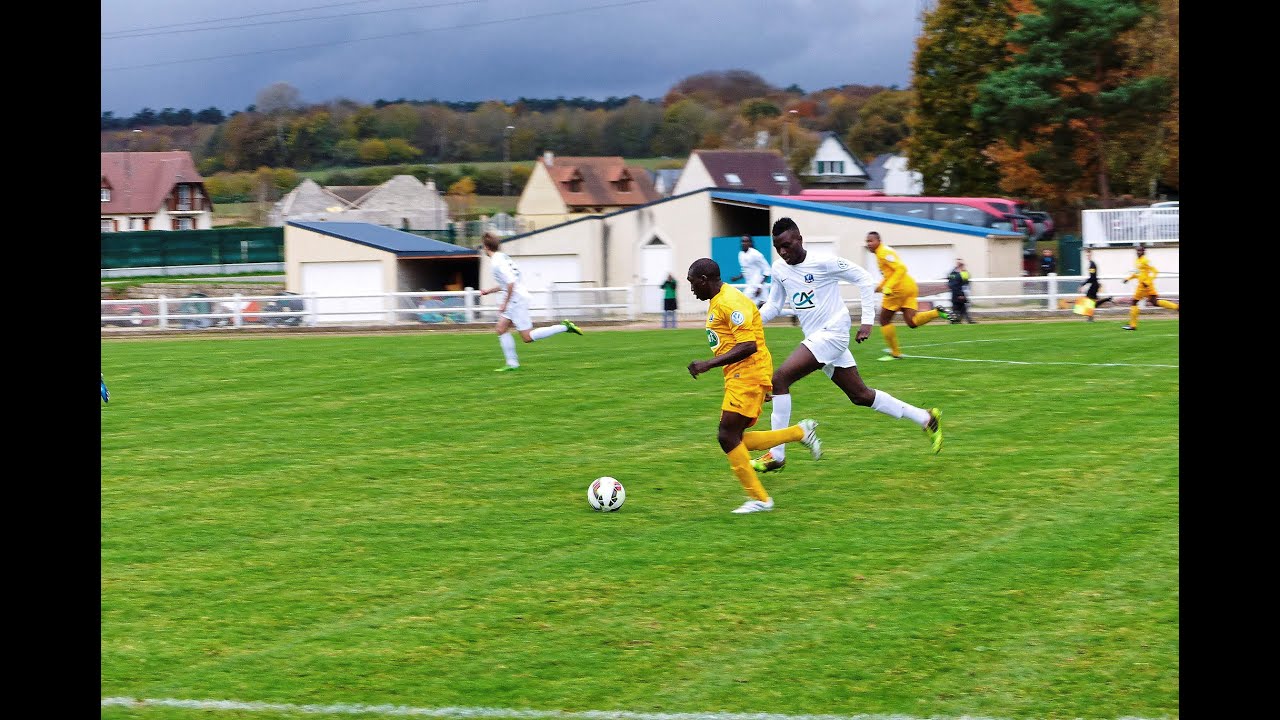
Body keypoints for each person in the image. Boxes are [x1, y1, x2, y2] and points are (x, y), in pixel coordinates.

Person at [751, 218, 944, 474]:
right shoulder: (779, 269)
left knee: (780, 380)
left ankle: (777, 454)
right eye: (778, 248)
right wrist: (751, 320)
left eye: (786, 245)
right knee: (860, 396)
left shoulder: (824, 261)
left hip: (833, 333)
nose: (783, 252)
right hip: (817, 338)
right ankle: (926, 418)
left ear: (799, 239)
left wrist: (866, 322)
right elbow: (775, 306)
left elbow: (863, 279)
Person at [685, 257, 824, 514]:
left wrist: (708, 364)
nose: (692, 289)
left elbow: (749, 345)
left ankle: (761, 499)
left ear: (704, 280)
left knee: (726, 436)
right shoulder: (720, 300)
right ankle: (798, 433)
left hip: (746, 373)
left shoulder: (730, 301)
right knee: (735, 438)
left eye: (693, 283)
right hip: (744, 375)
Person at [478, 232, 584, 371]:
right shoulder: (503, 257)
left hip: (516, 299)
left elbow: (510, 283)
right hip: (516, 297)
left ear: (486, 247)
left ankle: (565, 327)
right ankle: (512, 364)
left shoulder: (496, 262)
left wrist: (505, 302)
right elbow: (507, 283)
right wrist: (489, 291)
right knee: (501, 329)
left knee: (527, 337)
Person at [865, 230, 951, 361]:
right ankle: (936, 313)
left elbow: (901, 269)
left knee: (884, 320)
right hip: (908, 287)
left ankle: (895, 353)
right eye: (867, 241)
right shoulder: (882, 253)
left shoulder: (883, 253)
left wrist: (888, 286)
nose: (868, 244)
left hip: (897, 290)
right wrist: (880, 287)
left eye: (871, 241)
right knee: (912, 322)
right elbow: (890, 274)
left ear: (879, 241)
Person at [1121, 244, 1179, 330]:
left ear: (1144, 252)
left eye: (1140, 251)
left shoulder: (1146, 261)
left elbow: (1155, 271)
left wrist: (1147, 282)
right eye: (1137, 251)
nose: (1138, 252)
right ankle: (1177, 307)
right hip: (1146, 286)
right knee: (1155, 302)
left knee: (1134, 302)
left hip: (1143, 286)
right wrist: (1128, 278)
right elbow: (1137, 273)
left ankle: (1132, 325)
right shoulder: (1137, 261)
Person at [729, 235, 772, 307]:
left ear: (750, 243)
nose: (744, 243)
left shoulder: (756, 254)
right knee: (759, 311)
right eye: (742, 241)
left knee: (743, 304)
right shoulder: (741, 254)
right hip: (750, 285)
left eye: (746, 241)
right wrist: (737, 277)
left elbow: (767, 270)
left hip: (757, 286)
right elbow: (745, 271)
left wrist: (759, 287)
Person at [1077, 248, 1115, 322]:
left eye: (1088, 254)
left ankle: (1090, 318)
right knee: (1093, 303)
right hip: (1094, 284)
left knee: (1089, 301)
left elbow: (1092, 277)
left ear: (1091, 255)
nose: (1087, 256)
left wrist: (1082, 284)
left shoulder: (1092, 264)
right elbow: (1092, 277)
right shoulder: (1091, 264)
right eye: (1086, 255)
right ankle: (1108, 299)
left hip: (1094, 285)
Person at [946, 259, 977, 324]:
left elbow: (965, 282)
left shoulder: (953, 273)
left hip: (955, 294)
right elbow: (956, 285)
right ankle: (956, 321)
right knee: (959, 308)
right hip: (958, 294)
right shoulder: (958, 274)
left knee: (962, 307)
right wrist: (960, 294)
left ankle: (965, 320)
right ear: (961, 266)